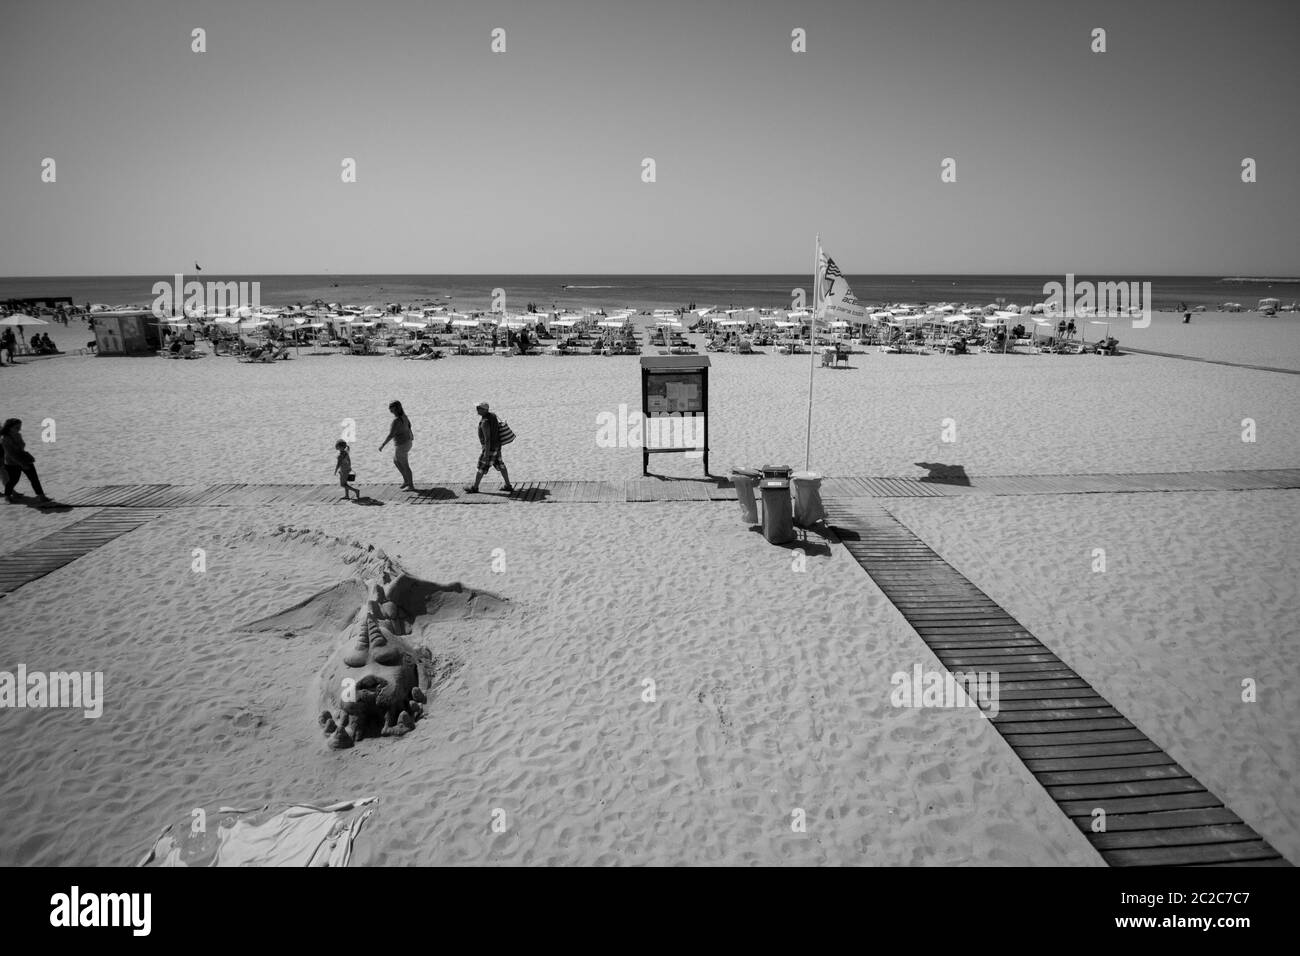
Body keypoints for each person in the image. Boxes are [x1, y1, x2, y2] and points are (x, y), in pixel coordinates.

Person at [464, 402, 512, 493]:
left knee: (481, 467)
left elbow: (487, 439)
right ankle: (508, 485)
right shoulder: (493, 416)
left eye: (479, 408)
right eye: (477, 407)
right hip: (497, 446)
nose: (477, 409)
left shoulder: (485, 422)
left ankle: (475, 487)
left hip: (490, 448)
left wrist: (486, 453)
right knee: (501, 465)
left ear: (485, 410)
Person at [2, 419, 50, 503]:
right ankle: (7, 496)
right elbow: (10, 454)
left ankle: (41, 496)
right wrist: (21, 463)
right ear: (9, 427)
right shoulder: (5, 439)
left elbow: (21, 446)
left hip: (24, 458)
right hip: (12, 463)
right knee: (13, 480)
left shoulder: (18, 435)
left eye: (20, 427)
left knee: (34, 478)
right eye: (17, 427)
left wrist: (23, 458)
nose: (19, 429)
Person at [378, 400, 415, 490]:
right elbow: (410, 426)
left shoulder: (396, 421)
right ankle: (406, 481)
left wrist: (383, 445)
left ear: (396, 409)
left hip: (402, 445)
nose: (390, 411)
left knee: (405, 465)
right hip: (408, 442)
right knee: (396, 460)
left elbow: (391, 435)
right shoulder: (404, 416)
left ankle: (410, 485)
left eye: (392, 409)